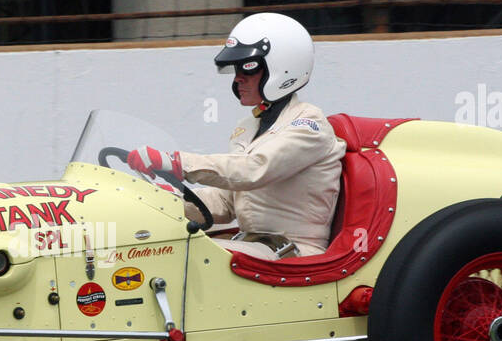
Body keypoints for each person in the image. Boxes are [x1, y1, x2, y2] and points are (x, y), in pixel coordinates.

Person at [127, 13, 346, 259]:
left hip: (296, 253)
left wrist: (178, 162)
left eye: (248, 68)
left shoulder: (309, 124)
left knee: (188, 257)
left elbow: (254, 169)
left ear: (283, 68)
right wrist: (163, 200)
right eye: (236, 69)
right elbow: (226, 203)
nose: (238, 78)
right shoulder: (249, 127)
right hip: (256, 247)